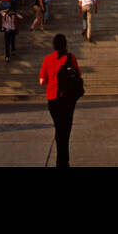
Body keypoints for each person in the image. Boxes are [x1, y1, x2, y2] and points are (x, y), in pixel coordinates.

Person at [39, 33, 82, 168]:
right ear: (65, 44)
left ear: (53, 45)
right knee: (66, 129)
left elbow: (42, 81)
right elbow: (78, 75)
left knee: (59, 128)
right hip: (68, 98)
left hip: (53, 98)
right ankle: (64, 161)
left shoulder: (48, 59)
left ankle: (61, 161)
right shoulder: (71, 58)